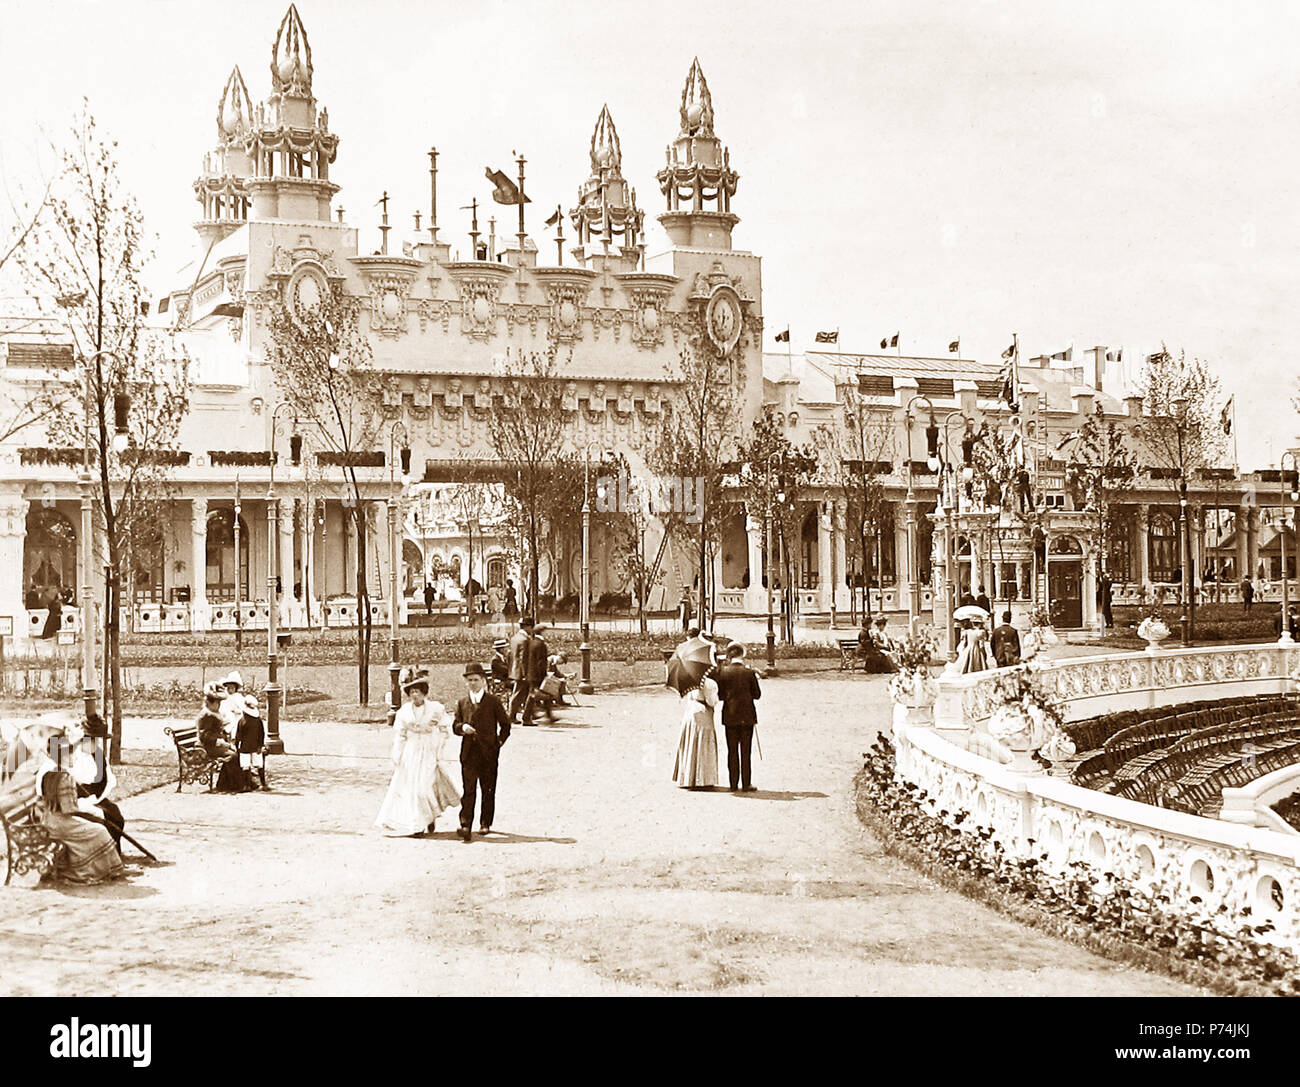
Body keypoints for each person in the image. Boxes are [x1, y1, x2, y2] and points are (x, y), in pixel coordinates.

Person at [376, 667, 460, 837]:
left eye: (418, 692)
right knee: (411, 788)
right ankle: (418, 825)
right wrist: (397, 754)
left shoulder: (436, 708)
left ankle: (429, 818)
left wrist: (439, 746)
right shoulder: (404, 712)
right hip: (412, 751)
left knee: (424, 788)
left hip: (429, 749)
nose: (415, 695)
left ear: (424, 693)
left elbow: (445, 728)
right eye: (412, 692)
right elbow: (400, 735)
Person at [451, 662, 511, 841]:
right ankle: (465, 824)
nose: (473, 683)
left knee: (488, 788)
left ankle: (485, 822)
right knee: (468, 789)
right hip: (469, 753)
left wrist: (497, 743)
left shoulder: (493, 701)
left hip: (488, 752)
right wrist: (463, 728)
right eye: (469, 680)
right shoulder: (462, 703)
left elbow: (506, 725)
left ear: (484, 681)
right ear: (465, 682)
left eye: (476, 680)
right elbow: (455, 726)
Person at [38, 769, 126, 884]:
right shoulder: (64, 777)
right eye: (71, 753)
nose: (73, 757)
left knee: (96, 826)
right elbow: (68, 809)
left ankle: (97, 868)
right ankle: (87, 871)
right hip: (61, 822)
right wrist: (87, 813)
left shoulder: (48, 774)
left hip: (49, 819)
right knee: (99, 831)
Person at [67, 714, 126, 850]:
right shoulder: (72, 756)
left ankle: (114, 850)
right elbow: (66, 780)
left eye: (98, 740)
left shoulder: (98, 755)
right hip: (75, 798)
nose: (97, 744)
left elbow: (103, 781)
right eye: (93, 740)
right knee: (102, 818)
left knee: (115, 815)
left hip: (94, 795)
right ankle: (102, 851)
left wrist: (94, 795)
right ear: (83, 740)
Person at [715, 643, 760, 792]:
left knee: (732, 751)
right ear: (742, 655)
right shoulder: (749, 672)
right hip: (747, 716)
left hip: (730, 715)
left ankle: (733, 783)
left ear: (729, 656)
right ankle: (746, 784)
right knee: (746, 751)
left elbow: (720, 696)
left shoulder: (724, 672)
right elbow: (757, 695)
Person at [673, 669, 719, 790]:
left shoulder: (691, 682)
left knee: (690, 741)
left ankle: (687, 777)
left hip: (691, 710)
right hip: (703, 712)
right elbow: (712, 701)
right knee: (703, 743)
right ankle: (703, 779)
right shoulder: (710, 683)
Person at [522, 622, 554, 725]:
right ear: (542, 632)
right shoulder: (541, 645)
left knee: (537, 695)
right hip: (537, 675)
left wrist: (526, 673)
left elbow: (525, 659)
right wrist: (544, 675)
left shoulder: (530, 642)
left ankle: (549, 715)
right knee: (535, 695)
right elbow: (541, 662)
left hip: (530, 674)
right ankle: (526, 718)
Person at [197, 681, 236, 760]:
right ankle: (227, 772)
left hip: (211, 745)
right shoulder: (207, 715)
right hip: (207, 747)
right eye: (217, 703)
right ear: (208, 702)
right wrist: (219, 736)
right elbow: (205, 737)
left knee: (234, 752)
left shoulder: (211, 714)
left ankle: (227, 772)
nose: (219, 705)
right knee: (234, 755)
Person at [507, 616, 534, 723]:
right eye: (531, 627)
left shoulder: (515, 637)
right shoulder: (525, 640)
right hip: (523, 672)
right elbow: (523, 658)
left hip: (515, 670)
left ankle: (513, 716)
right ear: (528, 627)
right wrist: (525, 673)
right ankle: (518, 717)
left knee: (517, 693)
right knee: (521, 694)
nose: (532, 630)